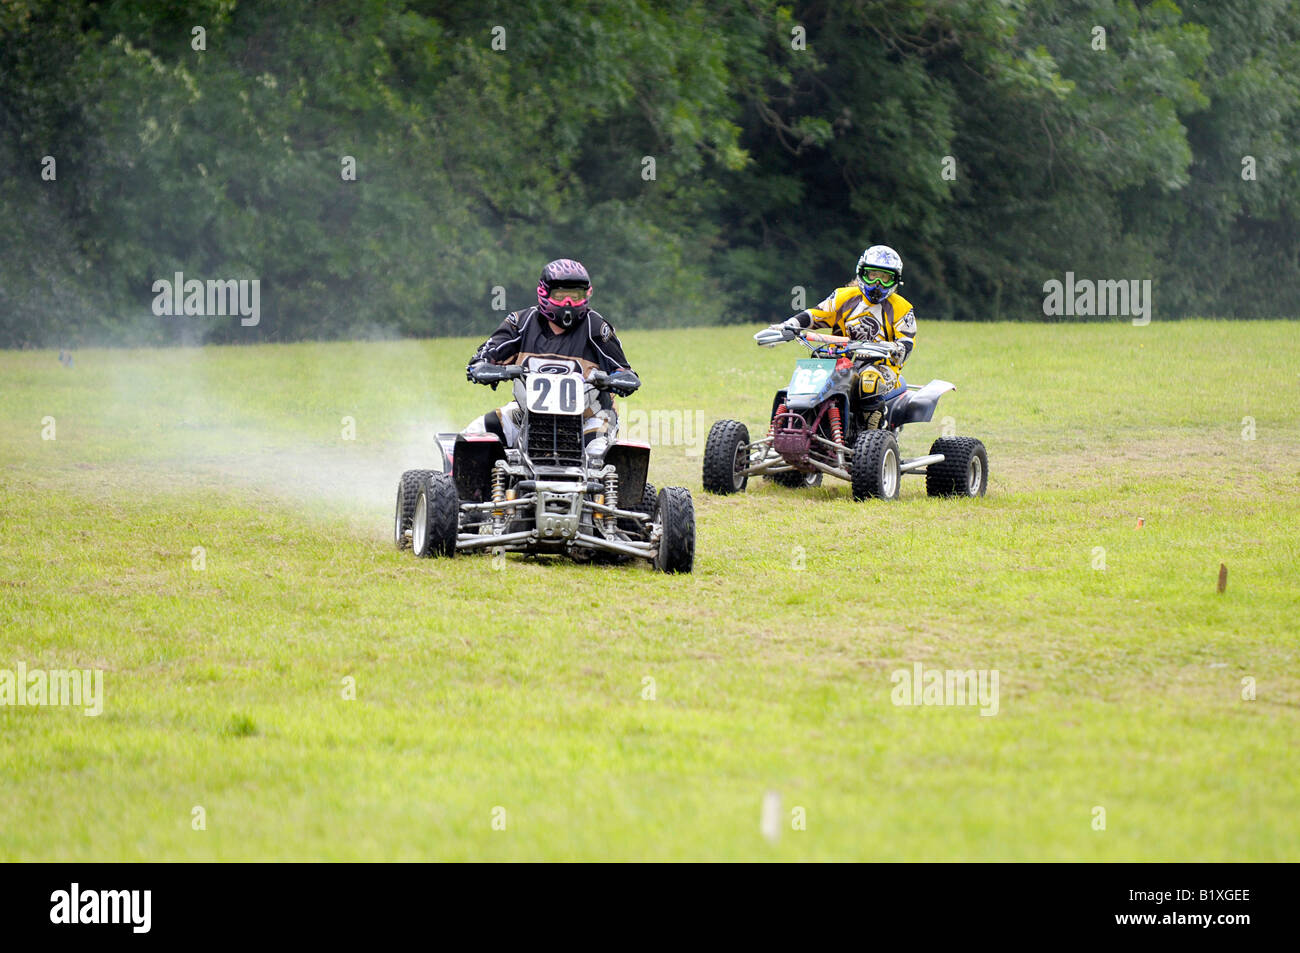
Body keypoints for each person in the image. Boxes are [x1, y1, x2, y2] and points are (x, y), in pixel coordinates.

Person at [464, 258, 639, 460]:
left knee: (597, 455)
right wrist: (482, 367)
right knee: (474, 436)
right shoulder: (521, 322)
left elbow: (623, 370)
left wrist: (619, 380)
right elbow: (488, 354)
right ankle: (463, 490)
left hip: (590, 416)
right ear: (544, 293)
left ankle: (600, 490)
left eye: (575, 296)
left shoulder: (597, 328)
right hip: (526, 415)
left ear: (587, 294)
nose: (568, 303)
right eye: (561, 296)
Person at [769, 244, 917, 402]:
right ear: (862, 273)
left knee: (869, 382)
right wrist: (789, 325)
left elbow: (907, 341)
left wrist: (896, 348)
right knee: (805, 381)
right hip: (837, 359)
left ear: (894, 280)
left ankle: (872, 423)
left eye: (884, 278)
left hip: (881, 366)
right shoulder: (842, 297)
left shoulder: (902, 308)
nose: (878, 283)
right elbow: (816, 314)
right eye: (873, 275)